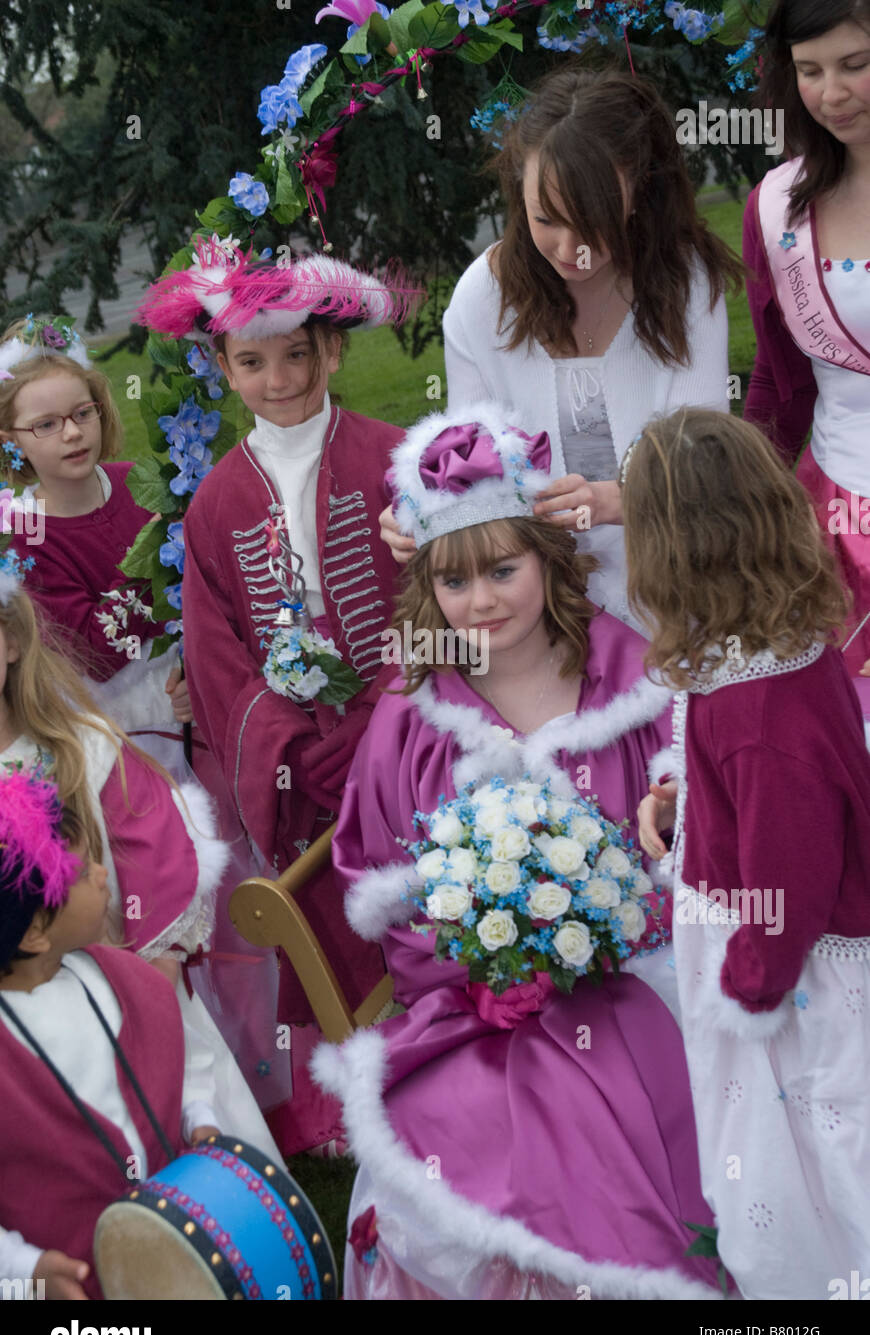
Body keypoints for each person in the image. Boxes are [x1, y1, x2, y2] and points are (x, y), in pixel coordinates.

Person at [313, 405, 723, 1301]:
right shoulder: (415, 718)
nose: (484, 601)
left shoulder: (636, 682)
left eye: (505, 570)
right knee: (464, 1130)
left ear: (550, 558)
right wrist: (487, 968)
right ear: (429, 593)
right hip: (472, 1006)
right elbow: (384, 883)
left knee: (610, 1096)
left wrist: (618, 919)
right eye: (456, 584)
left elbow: (688, 839)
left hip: (642, 972)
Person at [137, 240, 416, 1151]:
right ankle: (357, 1094)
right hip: (298, 766)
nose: (279, 377)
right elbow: (218, 659)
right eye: (251, 361)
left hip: (405, 733)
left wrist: (383, 718)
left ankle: (446, 1056)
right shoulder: (214, 504)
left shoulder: (392, 458)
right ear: (221, 368)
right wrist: (291, 752)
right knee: (325, 914)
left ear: (332, 351)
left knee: (422, 900)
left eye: (297, 354)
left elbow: (435, 598)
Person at [628, 408, 870, 1301]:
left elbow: (791, 876)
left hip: (793, 994)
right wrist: (691, 806)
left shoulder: (756, 708)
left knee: (808, 1163)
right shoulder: (769, 656)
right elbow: (769, 807)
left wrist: (747, 985)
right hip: (775, 963)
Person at [381, 67, 740, 631]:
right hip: (544, 618)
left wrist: (618, 501)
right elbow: (471, 464)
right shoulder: (482, 297)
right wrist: (423, 513)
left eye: (593, 221)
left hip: (681, 597)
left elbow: (707, 467)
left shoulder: (684, 283)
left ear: (640, 186)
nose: (571, 250)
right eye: (545, 218)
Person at [0, 558, 284, 1171]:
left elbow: (156, 876)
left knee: (192, 1203)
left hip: (123, 1000)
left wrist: (142, 1015)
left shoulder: (81, 749)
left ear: (12, 639)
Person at [0, 770, 221, 1300]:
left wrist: (201, 1120)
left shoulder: (125, 981)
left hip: (176, 1254)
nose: (103, 875)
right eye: (80, 874)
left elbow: (179, 1064)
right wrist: (25, 1268)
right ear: (33, 932)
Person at [744, 0, 870, 693]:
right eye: (810, 71)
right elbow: (778, 380)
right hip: (832, 522)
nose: (831, 93)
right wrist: (734, 495)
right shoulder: (777, 207)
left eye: (855, 65)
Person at [0, 315, 191, 761]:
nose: (71, 432)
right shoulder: (26, 538)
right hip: (124, 732)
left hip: (193, 692)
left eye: (83, 414)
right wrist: (159, 550)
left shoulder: (141, 484)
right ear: (11, 443)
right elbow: (98, 653)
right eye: (45, 425)